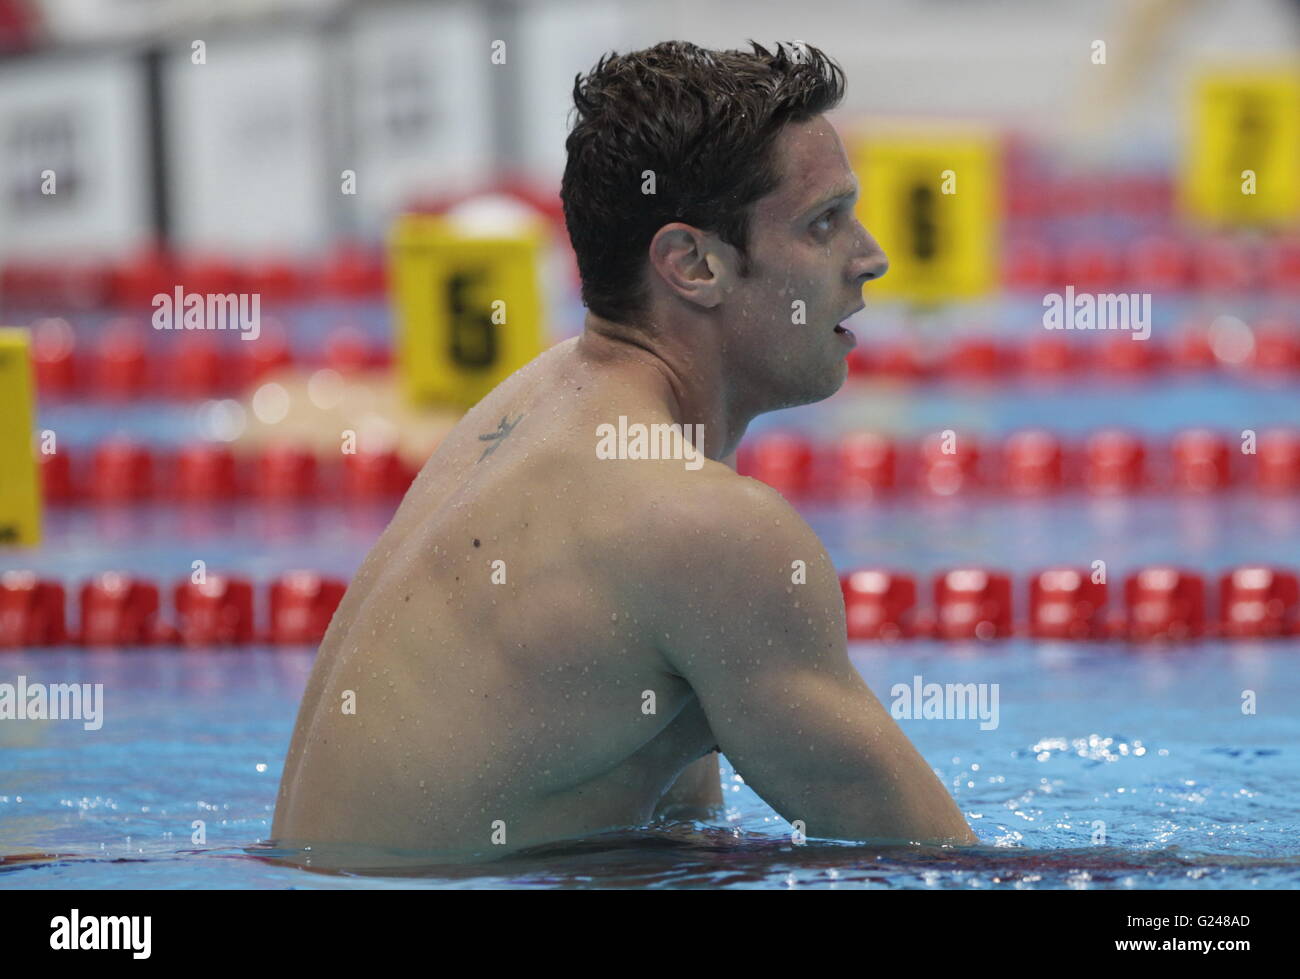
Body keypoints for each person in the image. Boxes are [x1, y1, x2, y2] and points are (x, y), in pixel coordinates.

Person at [272, 40, 976, 868]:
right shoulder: (705, 529)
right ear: (691, 264)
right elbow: (940, 866)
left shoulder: (531, 405)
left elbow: (673, 827)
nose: (871, 257)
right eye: (825, 223)